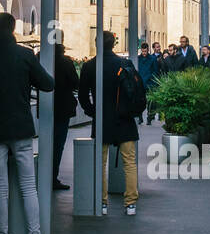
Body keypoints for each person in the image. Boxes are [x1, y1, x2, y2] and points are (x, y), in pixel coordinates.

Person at [0, 12, 55, 234]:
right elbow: (48, 84)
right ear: (12, 29)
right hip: (20, 129)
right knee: (29, 187)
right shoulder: (24, 55)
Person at [78, 32, 146, 216]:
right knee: (129, 162)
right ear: (113, 44)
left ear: (96, 44)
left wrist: (92, 111)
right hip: (125, 119)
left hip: (102, 120)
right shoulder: (124, 64)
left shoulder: (89, 66)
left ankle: (102, 202)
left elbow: (83, 95)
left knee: (100, 163)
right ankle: (130, 203)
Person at [51, 43, 79, 190]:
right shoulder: (66, 62)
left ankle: (43, 174)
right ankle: (52, 177)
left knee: (47, 143)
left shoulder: (40, 58)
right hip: (63, 109)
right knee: (58, 144)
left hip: (46, 108)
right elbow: (76, 82)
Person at [137, 41, 163, 124]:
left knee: (150, 102)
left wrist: (153, 81)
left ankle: (149, 117)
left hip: (150, 83)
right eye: (143, 51)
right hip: (140, 83)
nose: (144, 53)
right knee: (140, 101)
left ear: (148, 50)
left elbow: (155, 71)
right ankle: (140, 117)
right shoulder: (138, 58)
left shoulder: (152, 59)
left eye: (145, 51)